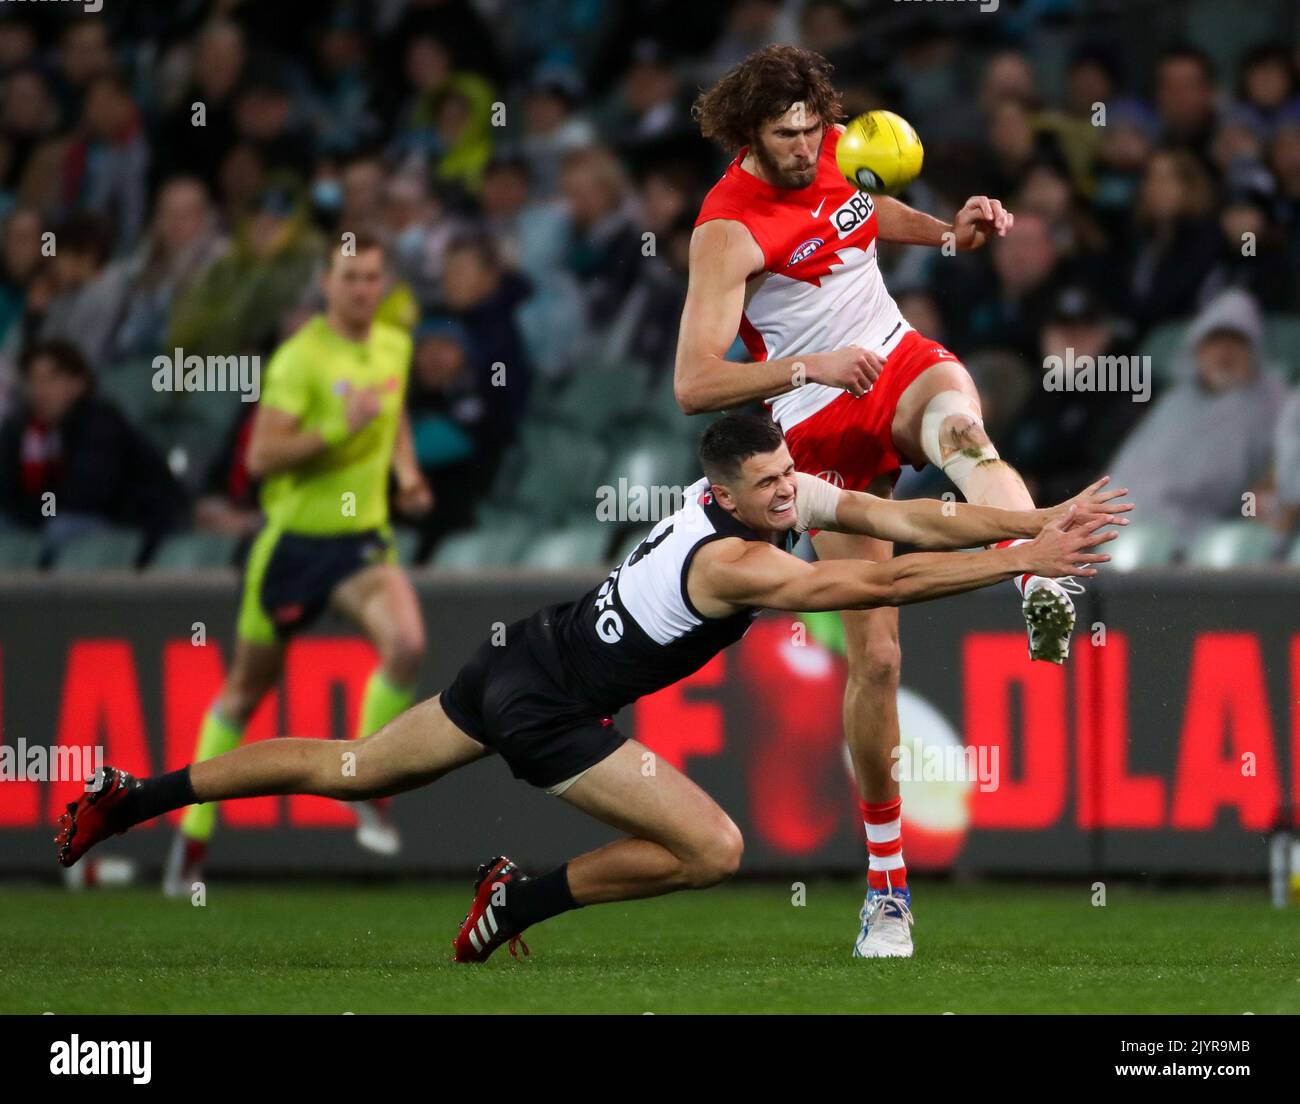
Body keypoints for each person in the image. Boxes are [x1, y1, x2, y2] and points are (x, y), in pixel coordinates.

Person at [56, 413, 1128, 960]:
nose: (783, 494)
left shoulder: (768, 495)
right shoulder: (737, 558)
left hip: (527, 654)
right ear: (723, 493)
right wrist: (1014, 566)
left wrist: (1035, 524)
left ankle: (131, 796)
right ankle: (518, 898)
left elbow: (911, 520)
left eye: (784, 479)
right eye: (765, 487)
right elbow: (865, 577)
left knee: (349, 767)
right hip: (550, 707)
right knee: (713, 851)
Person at [674, 44, 1076, 957]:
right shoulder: (725, 229)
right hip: (814, 426)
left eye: (814, 127)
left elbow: (862, 206)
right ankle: (887, 887)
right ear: (747, 133)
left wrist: (946, 232)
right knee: (880, 662)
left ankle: (1032, 580)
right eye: (785, 136)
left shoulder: (831, 147)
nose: (806, 147)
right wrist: (807, 364)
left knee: (969, 438)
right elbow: (694, 383)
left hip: (893, 359)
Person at [162, 232, 433, 896]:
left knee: (407, 642)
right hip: (293, 547)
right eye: (349, 277)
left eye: (372, 277)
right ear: (326, 284)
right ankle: (189, 844)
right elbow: (261, 459)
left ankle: (364, 784)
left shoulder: (394, 343)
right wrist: (338, 426)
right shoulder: (298, 359)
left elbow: (392, 414)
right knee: (244, 694)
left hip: (361, 540)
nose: (362, 289)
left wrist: (407, 474)